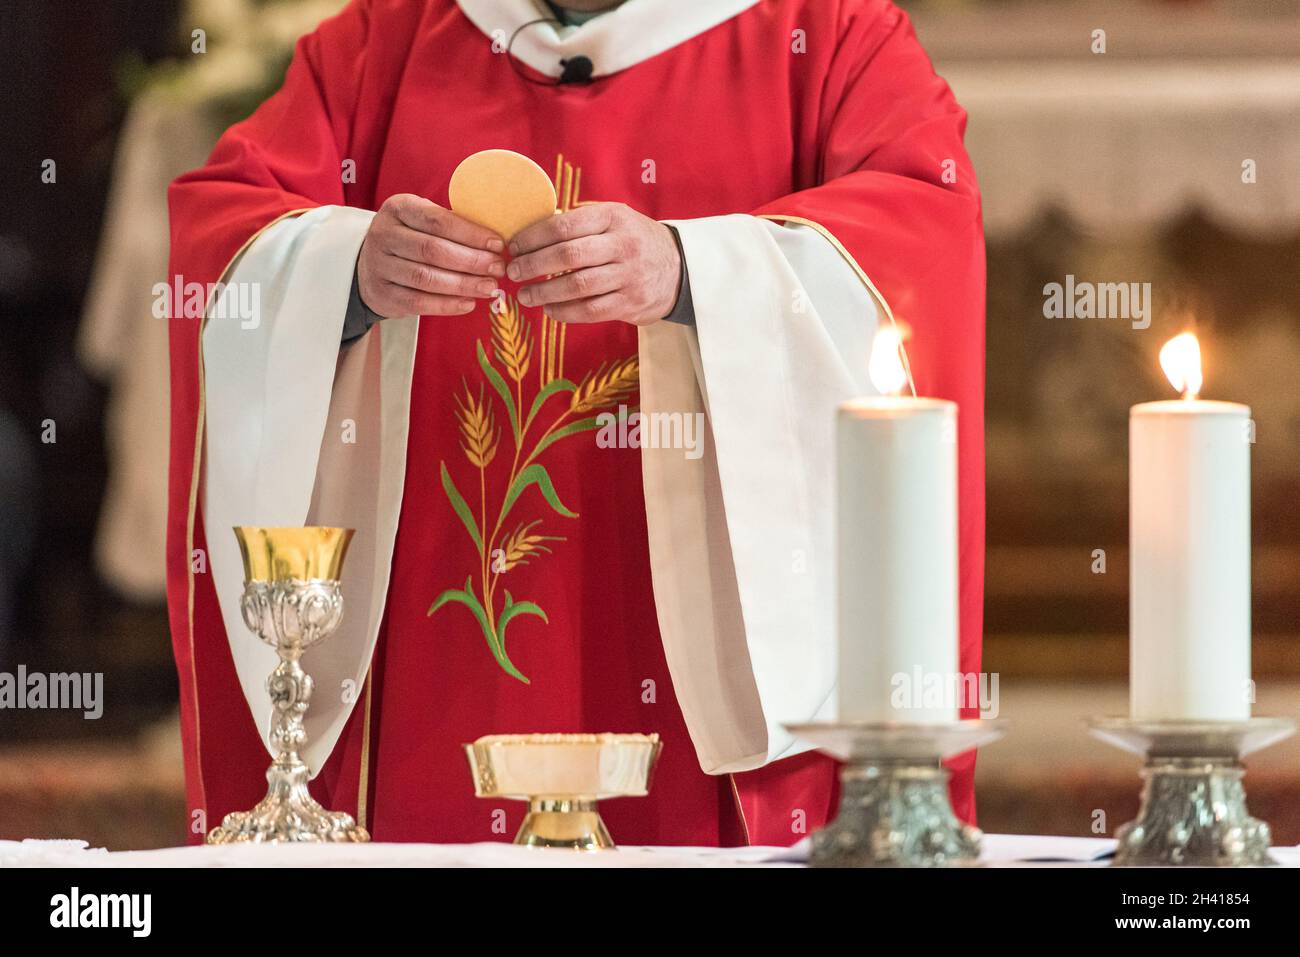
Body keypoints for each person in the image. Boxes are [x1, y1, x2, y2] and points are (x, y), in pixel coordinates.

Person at [167, 0, 985, 845]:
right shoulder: (386, 39)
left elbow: (925, 230)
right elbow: (223, 229)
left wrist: (693, 272)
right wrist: (343, 270)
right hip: (431, 666)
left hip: (700, 665)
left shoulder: (828, 34)